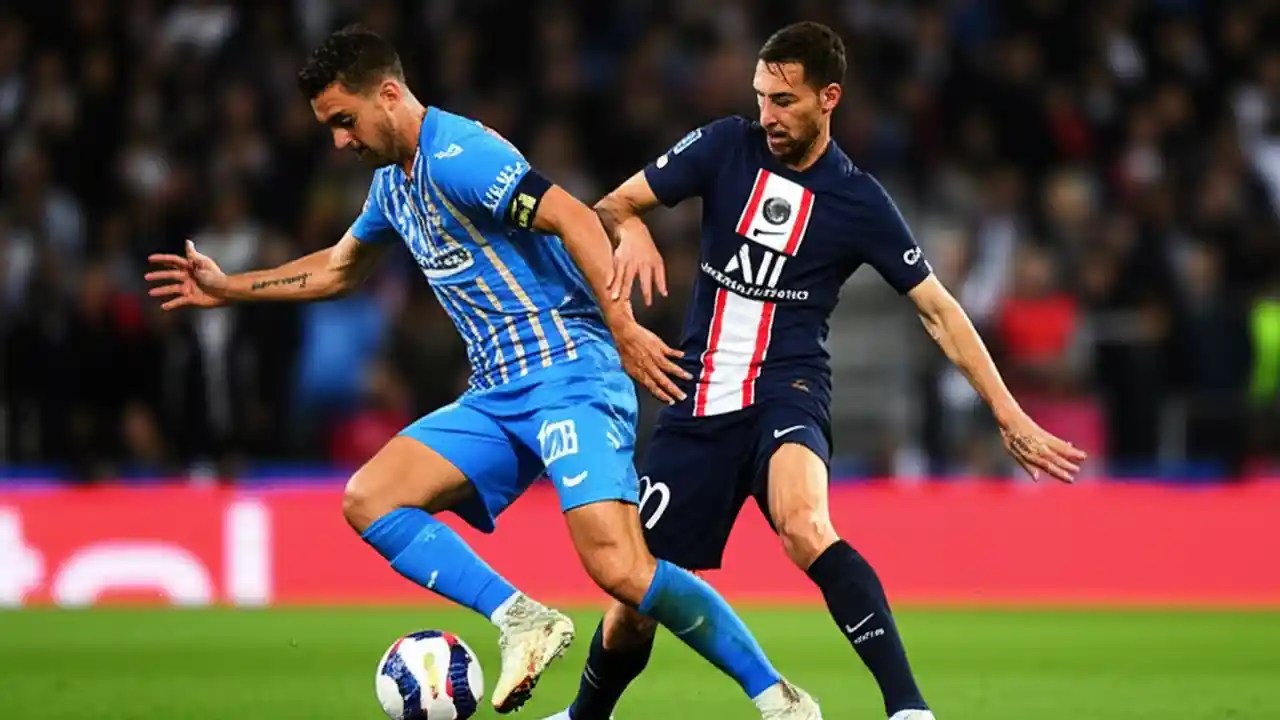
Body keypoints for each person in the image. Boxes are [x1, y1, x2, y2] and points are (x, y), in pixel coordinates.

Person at [144, 25, 822, 720]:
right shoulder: (392, 187)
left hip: (569, 373)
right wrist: (228, 289)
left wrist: (622, 329)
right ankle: (521, 618)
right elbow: (340, 267)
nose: (339, 141)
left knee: (621, 569)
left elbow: (574, 219)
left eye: (344, 121)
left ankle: (779, 698)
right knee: (369, 498)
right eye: (329, 128)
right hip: (496, 394)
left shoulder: (462, 155)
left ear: (388, 94)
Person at [545, 21, 1087, 720]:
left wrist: (1008, 413)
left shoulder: (858, 201)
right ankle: (586, 716)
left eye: (785, 101)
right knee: (636, 589)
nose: (766, 115)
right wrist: (635, 226)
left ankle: (907, 707)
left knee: (805, 525)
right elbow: (611, 204)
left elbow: (940, 312)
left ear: (828, 98)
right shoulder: (722, 146)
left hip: (787, 387)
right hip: (699, 394)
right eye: (762, 96)